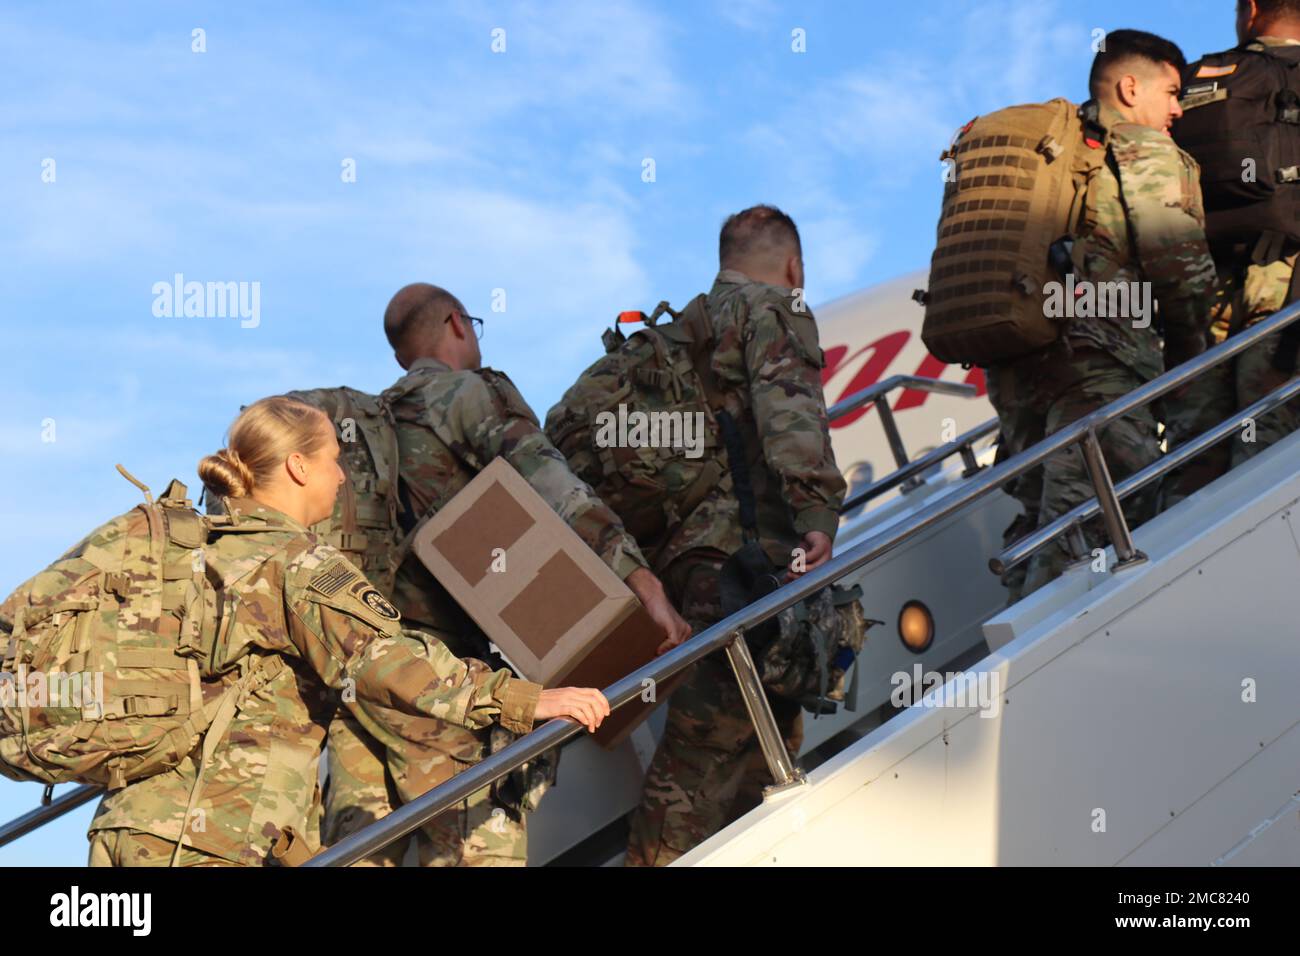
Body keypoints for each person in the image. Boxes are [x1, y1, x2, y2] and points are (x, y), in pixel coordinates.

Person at [85, 396, 611, 866]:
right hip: (216, 839)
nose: (340, 478)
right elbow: (386, 660)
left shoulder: (187, 554)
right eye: (333, 460)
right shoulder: (293, 559)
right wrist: (524, 699)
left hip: (125, 827)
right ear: (297, 466)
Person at [321, 284, 691, 867]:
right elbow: (555, 489)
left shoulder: (364, 431)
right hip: (448, 684)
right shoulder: (467, 394)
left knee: (360, 852)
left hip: (362, 680)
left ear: (399, 356)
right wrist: (642, 581)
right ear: (456, 324)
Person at [625, 205, 846, 866]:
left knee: (754, 756)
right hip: (747, 567)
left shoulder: (671, 334)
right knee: (702, 768)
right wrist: (817, 514)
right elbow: (789, 413)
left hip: (685, 562)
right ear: (794, 266)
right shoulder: (772, 308)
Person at [985, 29, 1217, 601]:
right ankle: (1029, 680)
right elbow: (1177, 266)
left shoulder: (1055, 156)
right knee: (1094, 523)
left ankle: (1015, 637)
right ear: (1130, 87)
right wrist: (1195, 358)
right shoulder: (1142, 148)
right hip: (1098, 362)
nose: (1178, 108)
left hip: (1017, 374)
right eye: (1170, 91)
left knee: (1045, 523)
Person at [1163, 0, 1300, 506]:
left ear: (1253, 9)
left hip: (1199, 288)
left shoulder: (1195, 77)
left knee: (1193, 452)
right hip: (1285, 280)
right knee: (1267, 436)